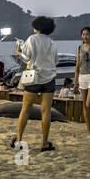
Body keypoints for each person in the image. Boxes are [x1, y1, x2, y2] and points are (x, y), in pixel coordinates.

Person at [12, 16, 58, 152]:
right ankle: (44, 142)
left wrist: (19, 51)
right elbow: (56, 60)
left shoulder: (32, 39)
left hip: (33, 77)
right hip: (49, 78)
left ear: (37, 27)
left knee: (25, 109)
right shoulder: (52, 42)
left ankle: (19, 140)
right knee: (46, 111)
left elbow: (26, 56)